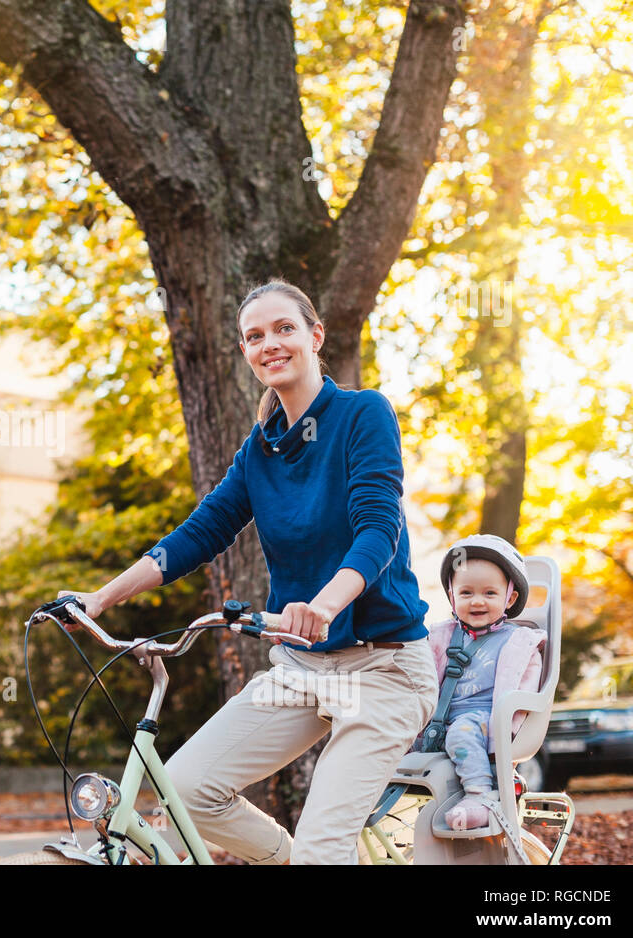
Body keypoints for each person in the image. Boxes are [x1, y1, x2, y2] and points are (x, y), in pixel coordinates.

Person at [56, 277, 438, 865]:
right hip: (302, 668)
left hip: (384, 668)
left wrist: (325, 606)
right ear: (246, 353)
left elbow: (377, 528)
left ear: (314, 336)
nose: (270, 344)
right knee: (184, 791)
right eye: (254, 336)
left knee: (325, 842)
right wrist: (100, 600)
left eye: (284, 329)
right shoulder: (259, 452)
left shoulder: (363, 414)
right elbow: (198, 535)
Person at [419, 534, 547, 830]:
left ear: (510, 598)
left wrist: (509, 728)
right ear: (452, 596)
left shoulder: (518, 642)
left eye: (490, 593)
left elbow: (525, 685)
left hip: (486, 720)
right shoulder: (440, 637)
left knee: (462, 733)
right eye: (466, 593)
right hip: (439, 719)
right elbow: (420, 674)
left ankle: (481, 795)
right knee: (391, 733)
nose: (477, 601)